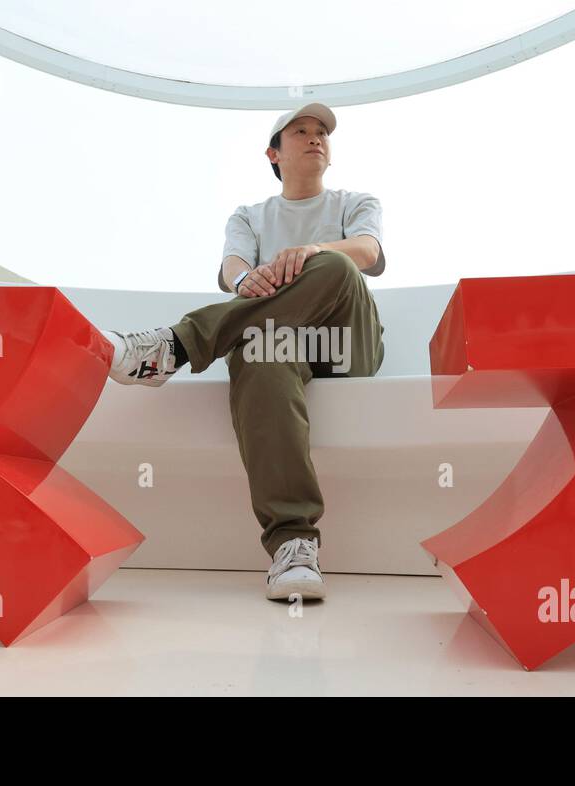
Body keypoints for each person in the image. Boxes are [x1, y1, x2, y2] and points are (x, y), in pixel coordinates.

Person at [100, 102, 387, 602]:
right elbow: (231, 269)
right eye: (300, 131)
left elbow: (366, 252)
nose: (315, 138)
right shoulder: (251, 216)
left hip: (345, 341)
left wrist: (315, 252)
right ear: (274, 153)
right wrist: (246, 279)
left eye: (321, 132)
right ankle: (293, 545)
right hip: (278, 339)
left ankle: (175, 346)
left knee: (336, 267)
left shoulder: (354, 202)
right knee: (258, 356)